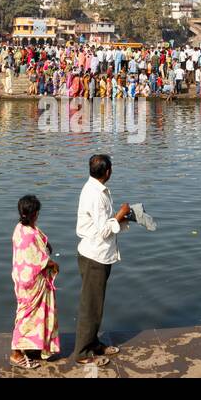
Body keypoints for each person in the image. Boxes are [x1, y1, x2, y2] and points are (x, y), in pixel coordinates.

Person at [74, 154, 130, 367]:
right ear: (107, 172)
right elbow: (104, 229)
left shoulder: (96, 189)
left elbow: (103, 224)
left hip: (99, 254)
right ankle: (82, 352)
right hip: (94, 256)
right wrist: (120, 214)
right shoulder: (96, 194)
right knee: (91, 305)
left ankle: (93, 342)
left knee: (96, 303)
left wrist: (121, 218)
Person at [10, 195, 60, 370]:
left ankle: (31, 346)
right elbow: (37, 261)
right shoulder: (29, 234)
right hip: (32, 283)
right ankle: (16, 353)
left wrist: (47, 245)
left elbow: (35, 247)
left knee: (26, 314)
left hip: (21, 279)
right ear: (35, 213)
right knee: (27, 316)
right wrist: (52, 263)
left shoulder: (19, 228)